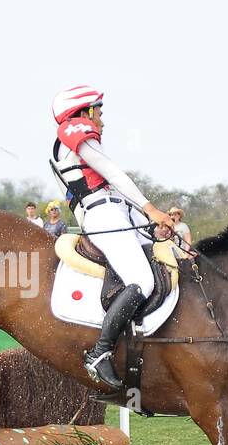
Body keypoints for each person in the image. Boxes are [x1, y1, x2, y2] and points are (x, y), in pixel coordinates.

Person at [47, 85, 174, 388]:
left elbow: (111, 191)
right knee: (142, 282)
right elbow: (115, 175)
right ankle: (100, 353)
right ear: (84, 112)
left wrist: (146, 224)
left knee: (166, 266)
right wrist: (152, 208)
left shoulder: (75, 142)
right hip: (104, 214)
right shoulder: (74, 133)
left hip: (116, 213)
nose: (101, 119)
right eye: (98, 111)